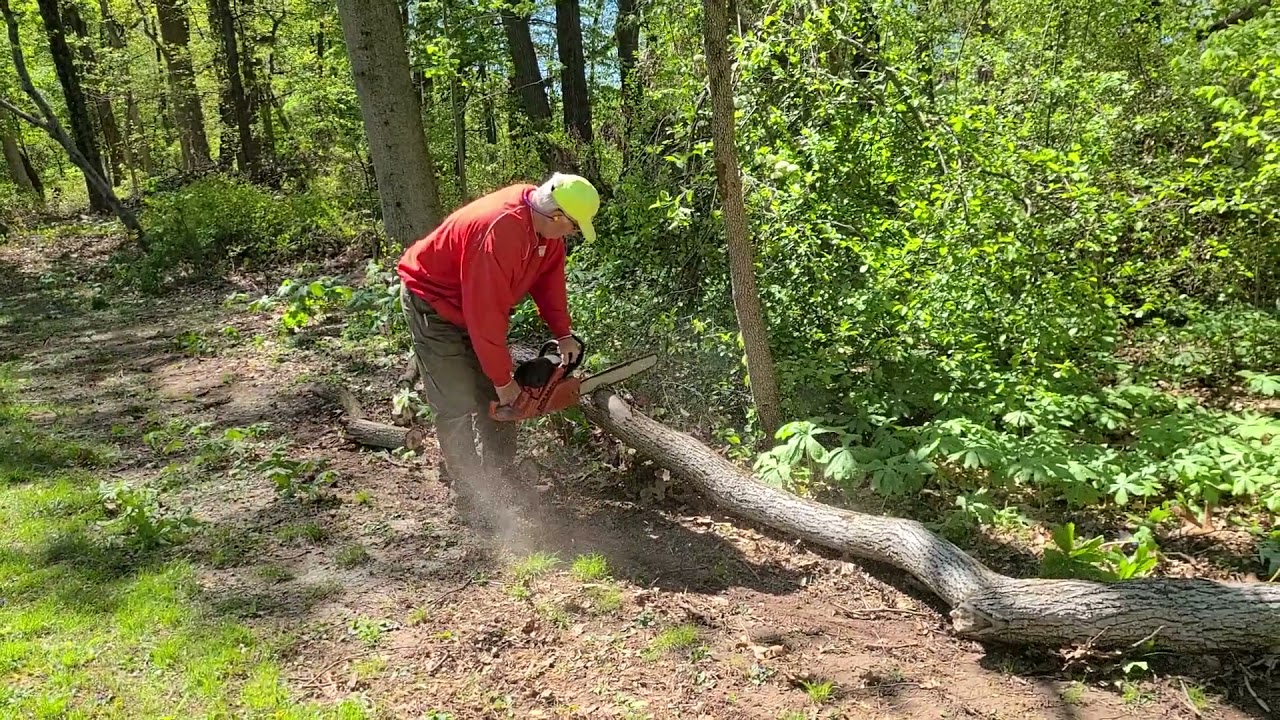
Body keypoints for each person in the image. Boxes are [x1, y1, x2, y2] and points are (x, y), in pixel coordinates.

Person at [396, 172, 599, 494]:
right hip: (433, 303)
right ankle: (471, 486)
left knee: (495, 394)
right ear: (557, 215)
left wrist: (563, 333)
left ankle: (500, 472)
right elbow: (485, 315)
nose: (572, 233)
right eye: (573, 226)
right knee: (456, 399)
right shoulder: (500, 232)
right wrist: (503, 381)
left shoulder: (545, 232)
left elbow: (550, 285)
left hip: (472, 308)